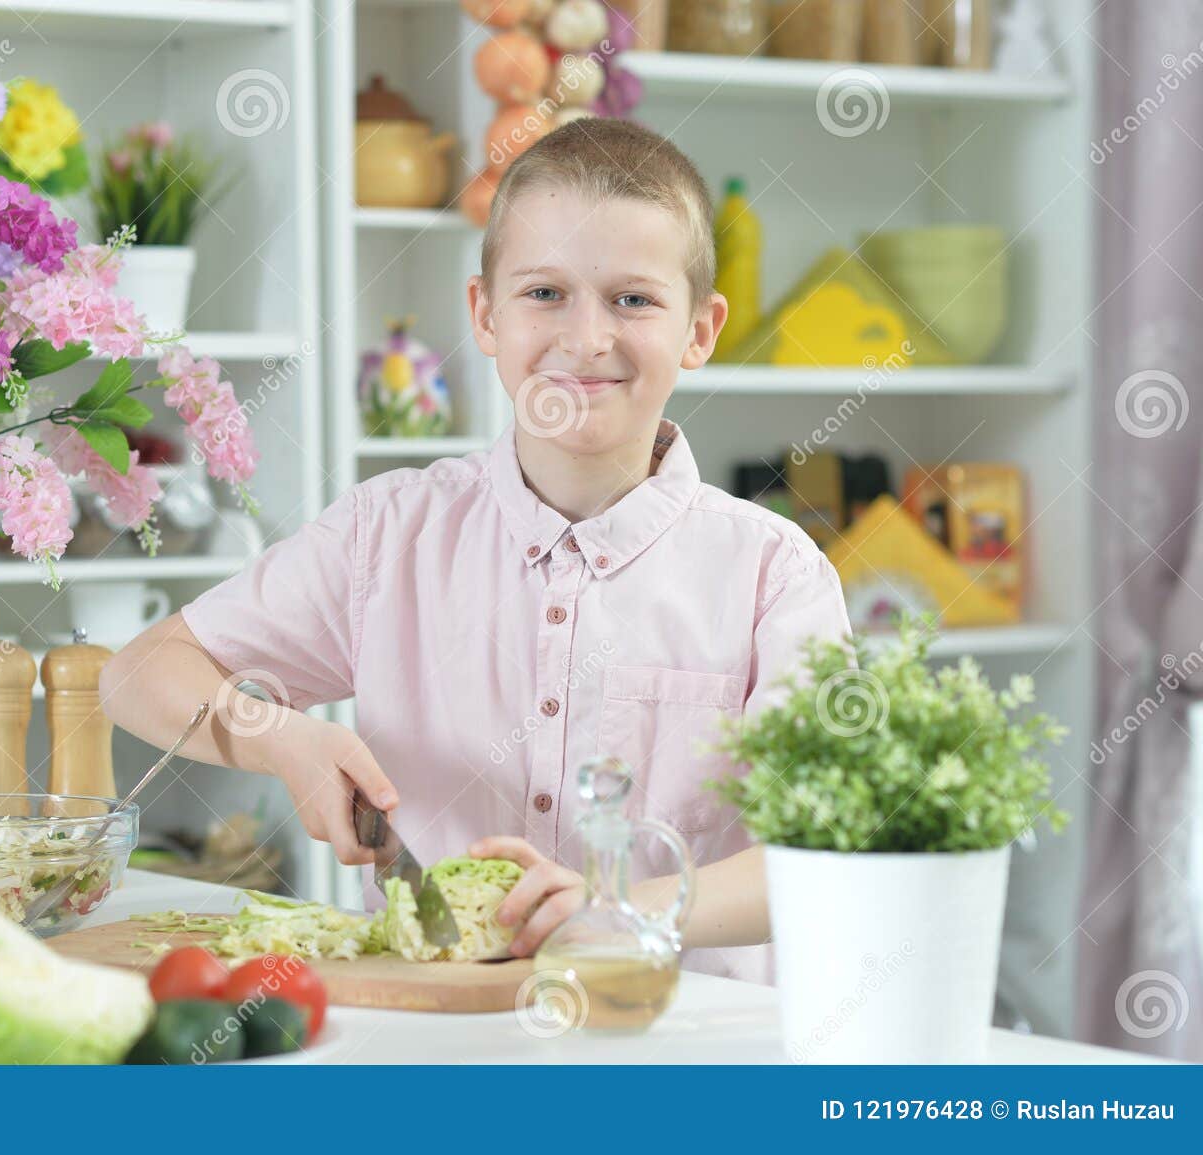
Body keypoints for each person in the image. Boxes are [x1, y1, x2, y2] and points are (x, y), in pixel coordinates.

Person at [100, 118, 851, 984]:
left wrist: (608, 914)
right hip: (440, 1036)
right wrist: (280, 738)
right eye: (544, 294)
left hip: (689, 1046)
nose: (587, 337)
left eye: (633, 299)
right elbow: (139, 673)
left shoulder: (772, 572)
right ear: (485, 314)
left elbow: (823, 852)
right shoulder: (388, 533)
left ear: (700, 330)